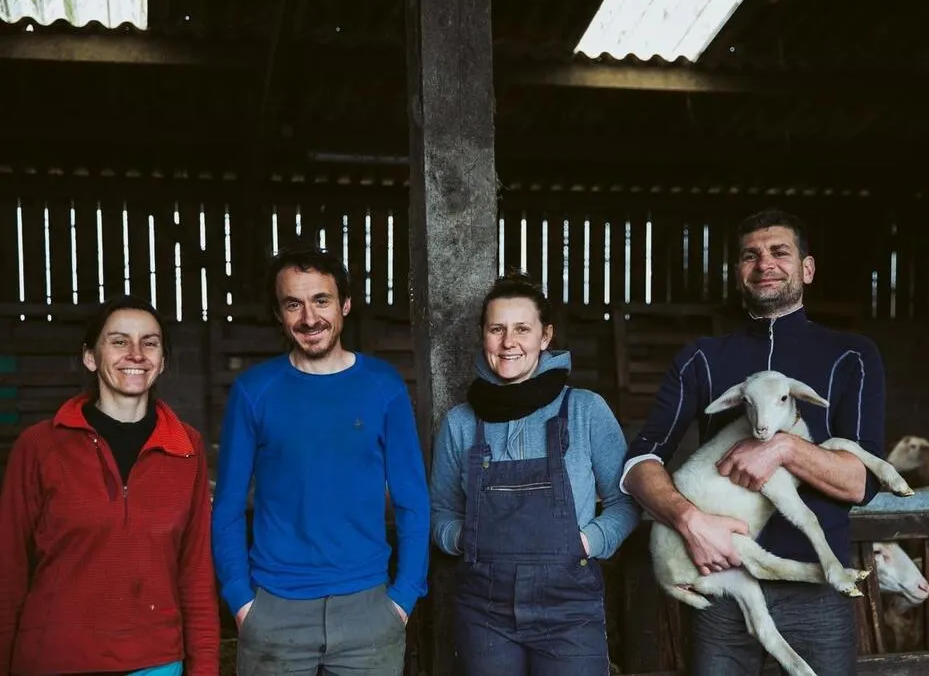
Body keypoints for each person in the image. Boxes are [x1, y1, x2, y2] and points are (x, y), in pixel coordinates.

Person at [620, 208, 885, 675]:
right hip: (721, 577)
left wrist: (781, 448)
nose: (765, 263)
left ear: (807, 268)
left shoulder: (852, 355)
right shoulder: (701, 358)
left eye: (780, 252)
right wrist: (691, 522)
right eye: (750, 255)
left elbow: (860, 483)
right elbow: (640, 462)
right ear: (737, 272)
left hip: (817, 592)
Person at [211, 247, 430, 676]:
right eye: (294, 304)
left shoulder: (383, 387)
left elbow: (413, 499)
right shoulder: (254, 390)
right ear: (279, 313)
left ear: (345, 304)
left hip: (368, 610)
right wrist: (240, 598)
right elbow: (228, 505)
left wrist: (404, 595)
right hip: (275, 610)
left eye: (321, 300)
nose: (309, 318)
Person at [430, 272, 641, 676]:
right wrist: (465, 537)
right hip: (484, 609)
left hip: (569, 607)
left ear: (545, 337)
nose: (509, 343)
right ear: (484, 337)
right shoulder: (461, 423)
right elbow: (439, 511)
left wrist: (586, 541)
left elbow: (626, 502)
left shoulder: (585, 410)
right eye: (497, 329)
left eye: (522, 329)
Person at [0, 295, 219, 676]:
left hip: (155, 663)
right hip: (55, 658)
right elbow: (8, 571)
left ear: (162, 361)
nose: (136, 354)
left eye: (149, 343)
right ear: (90, 357)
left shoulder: (187, 448)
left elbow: (196, 572)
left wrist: (203, 669)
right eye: (119, 341)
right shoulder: (40, 446)